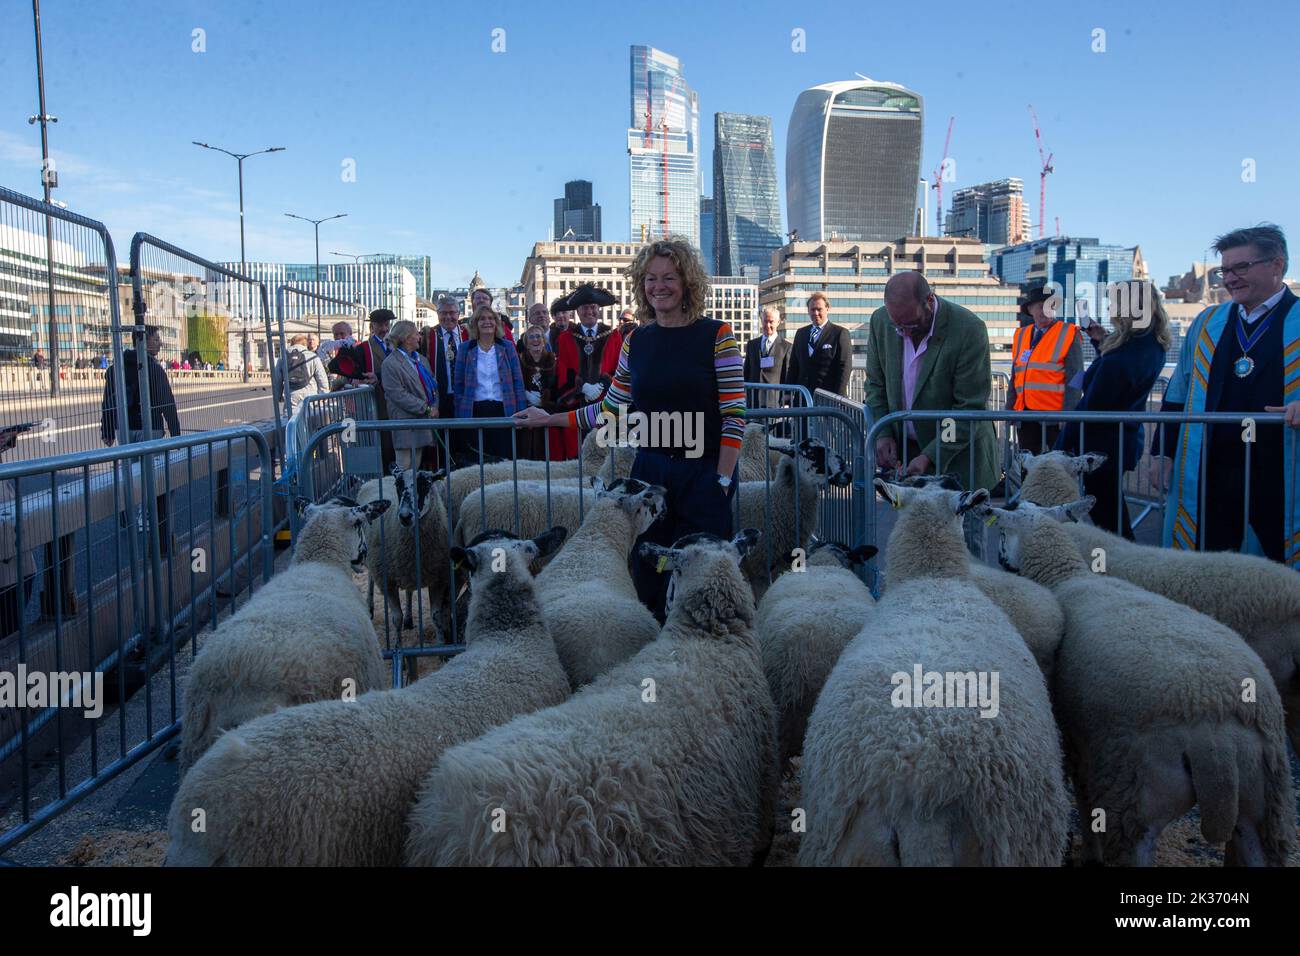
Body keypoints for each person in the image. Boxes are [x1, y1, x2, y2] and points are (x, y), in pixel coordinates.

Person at [515, 237, 745, 622]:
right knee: (649, 576)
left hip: (703, 473)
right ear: (641, 284)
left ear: (687, 281)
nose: (659, 286)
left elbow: (734, 415)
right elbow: (611, 409)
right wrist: (549, 418)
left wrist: (721, 481)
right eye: (651, 278)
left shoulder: (717, 336)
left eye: (669, 277)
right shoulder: (635, 341)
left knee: (704, 584)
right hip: (651, 475)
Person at [1151, 223, 1300, 566]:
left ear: (1276, 265)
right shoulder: (1207, 323)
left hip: (1283, 470)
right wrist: (1162, 453)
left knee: (1283, 571)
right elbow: (1178, 393)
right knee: (1210, 564)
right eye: (1224, 270)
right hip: (1212, 468)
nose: (1229, 278)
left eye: (1241, 267)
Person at [1053, 281, 1170, 540]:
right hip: (1124, 440)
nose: (1109, 307)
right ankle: (1125, 564)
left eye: (1114, 302)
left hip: (1101, 447)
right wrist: (1100, 342)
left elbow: (1089, 409)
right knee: (1111, 511)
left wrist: (1059, 449)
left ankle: (1124, 567)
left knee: (1109, 520)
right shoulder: (1151, 345)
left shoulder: (1122, 358)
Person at [865, 271, 998, 492]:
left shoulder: (969, 330)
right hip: (908, 457)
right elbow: (875, 385)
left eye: (912, 324)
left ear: (929, 301)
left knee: (961, 526)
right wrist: (884, 433)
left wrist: (930, 454)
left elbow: (968, 408)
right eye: (898, 326)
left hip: (960, 461)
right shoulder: (880, 322)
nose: (905, 332)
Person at [1006, 282, 1084, 455]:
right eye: (1041, 307)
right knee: (1027, 465)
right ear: (1031, 310)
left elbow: (1077, 376)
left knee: (1059, 465)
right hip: (1025, 415)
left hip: (1055, 418)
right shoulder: (1021, 335)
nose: (1045, 311)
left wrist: (1068, 414)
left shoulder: (1068, 332)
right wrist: (1010, 408)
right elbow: (1015, 375)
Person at [454, 305, 528, 460]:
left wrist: (522, 414)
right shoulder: (465, 348)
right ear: (475, 324)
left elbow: (518, 382)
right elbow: (459, 384)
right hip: (475, 411)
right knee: (477, 459)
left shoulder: (507, 347)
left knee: (503, 459)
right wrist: (460, 414)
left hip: (503, 410)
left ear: (496, 323)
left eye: (491, 318)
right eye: (482, 319)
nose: (487, 322)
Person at [100, 326, 182, 445]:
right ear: (143, 342)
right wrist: (175, 434)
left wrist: (107, 431)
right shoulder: (154, 369)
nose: (160, 343)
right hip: (151, 426)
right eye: (156, 340)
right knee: (151, 462)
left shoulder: (116, 369)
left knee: (129, 463)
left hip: (124, 428)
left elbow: (108, 402)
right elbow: (167, 403)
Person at [380, 319, 439, 472]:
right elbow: (398, 394)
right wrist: (426, 408)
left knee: (416, 466)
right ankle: (401, 496)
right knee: (404, 467)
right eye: (415, 334)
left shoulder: (421, 360)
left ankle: (413, 495)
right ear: (406, 338)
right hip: (405, 422)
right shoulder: (390, 364)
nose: (419, 337)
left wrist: (434, 405)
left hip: (421, 421)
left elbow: (433, 385)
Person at [555, 283, 623, 408]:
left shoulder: (614, 336)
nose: (589, 311)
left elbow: (620, 368)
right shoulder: (566, 338)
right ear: (577, 311)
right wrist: (581, 387)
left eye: (593, 307)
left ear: (599, 310)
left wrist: (603, 384)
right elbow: (564, 371)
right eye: (585, 308)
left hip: (607, 400)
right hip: (577, 402)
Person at [420, 297, 468, 467]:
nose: (448, 317)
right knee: (442, 444)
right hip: (440, 398)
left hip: (464, 397)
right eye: (443, 313)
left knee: (464, 440)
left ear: (459, 314)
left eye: (452, 313)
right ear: (438, 314)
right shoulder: (428, 336)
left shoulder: (468, 334)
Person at [784, 291, 852, 396]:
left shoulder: (840, 333)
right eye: (812, 309)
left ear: (827, 309)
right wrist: (787, 394)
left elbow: (844, 368)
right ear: (808, 311)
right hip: (803, 398)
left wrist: (838, 397)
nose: (816, 313)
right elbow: (793, 366)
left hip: (828, 397)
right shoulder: (801, 334)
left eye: (819, 309)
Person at [515, 325, 565, 460]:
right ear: (526, 343)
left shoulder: (554, 361)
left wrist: (546, 400)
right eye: (531, 337)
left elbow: (559, 388)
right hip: (525, 414)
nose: (535, 339)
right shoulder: (519, 361)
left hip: (548, 415)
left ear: (544, 340)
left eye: (538, 336)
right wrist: (525, 394)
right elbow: (514, 384)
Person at [358, 309, 397, 471]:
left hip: (398, 405)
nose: (385, 329)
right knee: (384, 447)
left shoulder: (397, 345)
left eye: (387, 324)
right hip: (378, 405)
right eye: (380, 325)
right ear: (372, 326)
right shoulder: (363, 348)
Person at [743, 306, 792, 407]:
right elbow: (746, 372)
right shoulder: (752, 345)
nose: (768, 325)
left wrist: (786, 396)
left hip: (774, 402)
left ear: (778, 322)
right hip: (753, 401)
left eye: (771, 322)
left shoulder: (786, 347)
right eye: (765, 321)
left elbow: (787, 375)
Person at [277, 333, 329, 418]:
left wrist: (278, 396)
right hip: (310, 395)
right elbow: (322, 379)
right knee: (310, 420)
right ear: (305, 344)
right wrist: (323, 397)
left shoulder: (283, 357)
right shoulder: (312, 356)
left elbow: (277, 379)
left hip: (291, 394)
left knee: (291, 421)